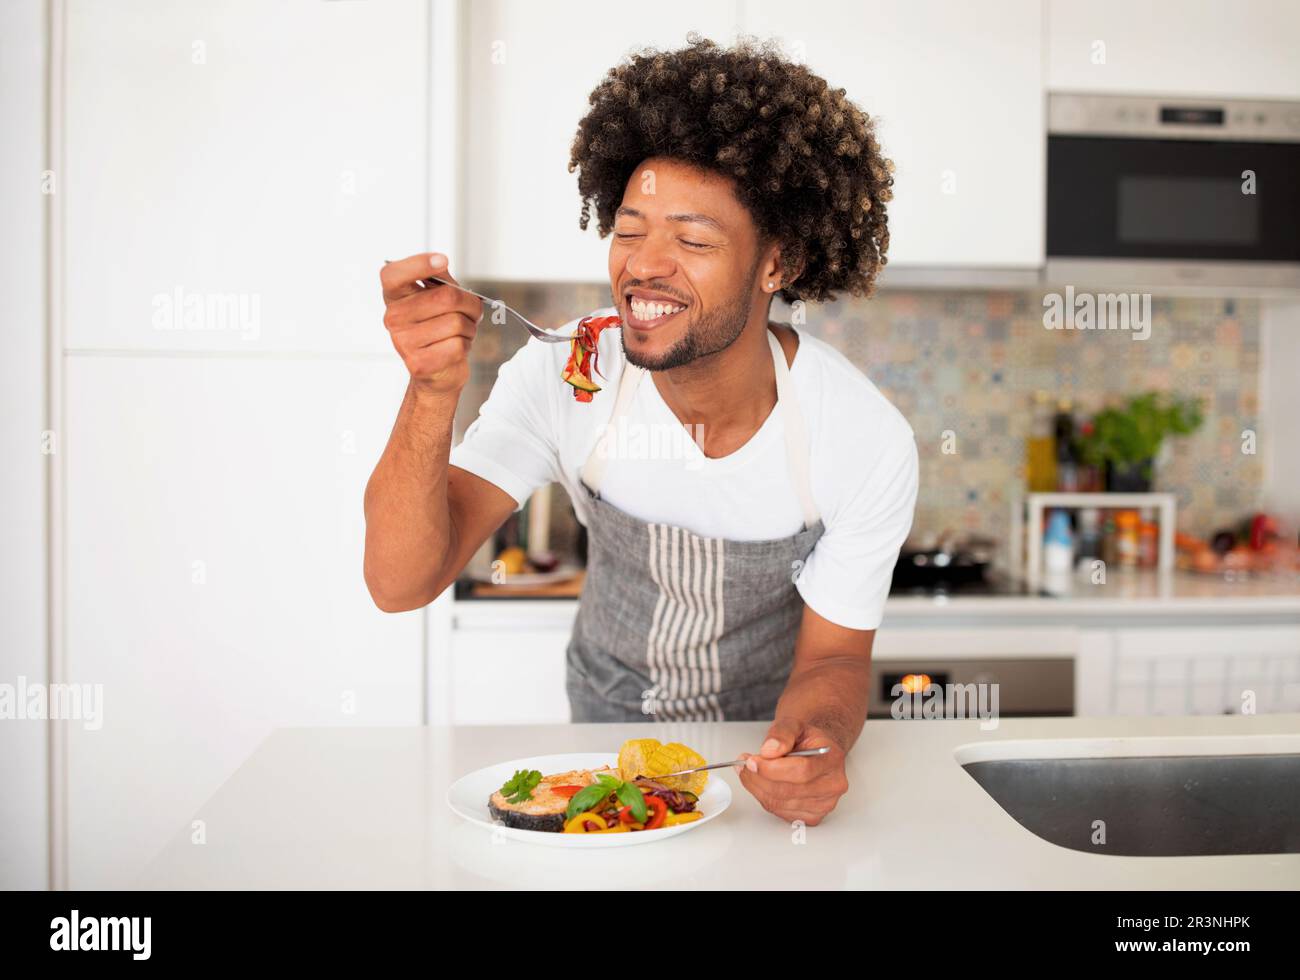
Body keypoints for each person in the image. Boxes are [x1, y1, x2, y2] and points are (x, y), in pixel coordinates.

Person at [365, 36, 917, 825]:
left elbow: (833, 658)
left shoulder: (861, 437)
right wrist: (429, 391)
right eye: (629, 230)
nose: (643, 266)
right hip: (601, 744)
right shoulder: (568, 373)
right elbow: (399, 581)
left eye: (692, 240)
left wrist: (817, 746)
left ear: (778, 263)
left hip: (754, 762)